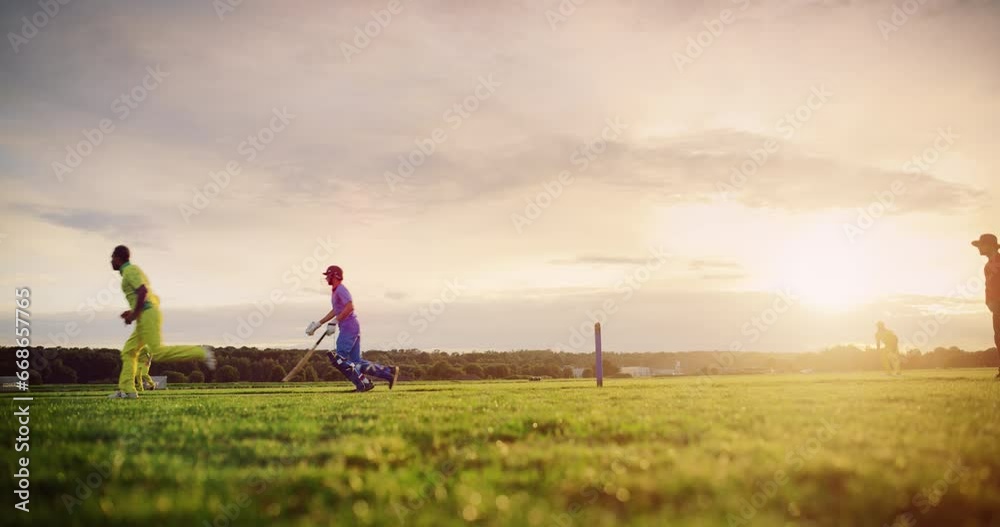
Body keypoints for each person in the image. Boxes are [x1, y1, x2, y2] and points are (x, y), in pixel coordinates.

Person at [108, 245, 216, 399]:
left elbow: (143, 291)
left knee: (157, 352)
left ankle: (202, 352)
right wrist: (133, 313)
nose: (111, 261)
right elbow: (145, 295)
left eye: (112, 257)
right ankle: (128, 391)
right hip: (144, 315)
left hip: (147, 315)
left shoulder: (130, 271)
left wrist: (134, 314)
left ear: (118, 258)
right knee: (128, 351)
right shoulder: (129, 272)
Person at [306, 265, 398, 392]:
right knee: (356, 362)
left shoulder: (340, 290)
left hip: (349, 327)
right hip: (351, 326)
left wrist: (335, 321)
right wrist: (319, 323)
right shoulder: (335, 291)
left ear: (334, 276)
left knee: (339, 359)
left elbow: (350, 307)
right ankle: (389, 372)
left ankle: (363, 384)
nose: (326, 278)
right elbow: (336, 310)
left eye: (328, 275)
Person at [972, 234, 1000, 379]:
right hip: (996, 307)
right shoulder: (987, 266)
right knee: (998, 337)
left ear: (990, 246)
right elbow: (988, 287)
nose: (979, 249)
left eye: (981, 245)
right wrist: (988, 302)